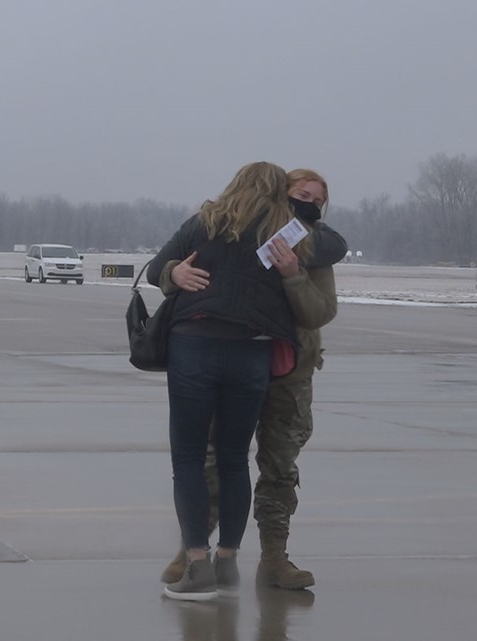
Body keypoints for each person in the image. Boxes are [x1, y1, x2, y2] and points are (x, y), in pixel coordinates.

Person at [159, 168, 345, 590]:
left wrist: (293, 273)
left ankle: (274, 558)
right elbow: (177, 259)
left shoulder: (310, 245)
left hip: (289, 369)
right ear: (281, 195)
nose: (310, 204)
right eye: (302, 194)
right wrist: (173, 272)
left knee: (278, 467)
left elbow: (319, 312)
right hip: (240, 359)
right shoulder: (241, 230)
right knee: (215, 460)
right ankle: (196, 551)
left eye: (318, 200)